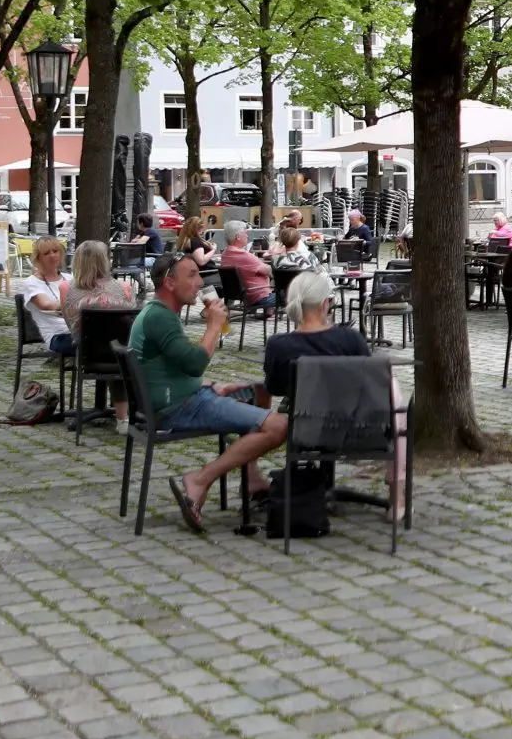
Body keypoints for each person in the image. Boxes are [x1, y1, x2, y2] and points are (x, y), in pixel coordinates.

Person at [132, 254, 288, 531]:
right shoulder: (160, 318)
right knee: (279, 426)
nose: (199, 282)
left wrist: (209, 385)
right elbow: (194, 363)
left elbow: (178, 365)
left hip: (184, 396)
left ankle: (251, 479)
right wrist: (214, 326)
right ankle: (200, 479)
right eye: (191, 275)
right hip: (180, 407)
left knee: (259, 392)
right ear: (169, 282)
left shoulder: (158, 312)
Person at [261, 270, 371, 403]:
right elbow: (370, 381)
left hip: (303, 419)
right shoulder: (351, 338)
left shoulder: (277, 345)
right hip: (349, 419)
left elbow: (274, 389)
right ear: (325, 303)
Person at [63, 239, 138, 429]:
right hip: (122, 356)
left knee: (107, 343)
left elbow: (70, 323)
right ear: (105, 260)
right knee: (119, 344)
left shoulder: (66, 288)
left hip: (88, 355)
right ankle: (123, 418)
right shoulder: (124, 288)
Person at [21, 237, 75, 353]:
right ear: (39, 258)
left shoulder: (70, 279)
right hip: (57, 336)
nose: (52, 255)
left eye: (55, 251)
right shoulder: (32, 282)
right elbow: (45, 305)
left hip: (77, 332)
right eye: (46, 253)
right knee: (97, 344)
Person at [220, 221, 278, 315]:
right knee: (295, 294)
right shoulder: (244, 256)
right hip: (258, 298)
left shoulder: (225, 255)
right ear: (238, 237)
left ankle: (268, 313)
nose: (247, 236)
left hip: (242, 295)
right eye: (245, 233)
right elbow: (269, 272)